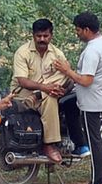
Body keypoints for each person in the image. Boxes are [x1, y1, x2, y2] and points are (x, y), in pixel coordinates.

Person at [55, 12, 102, 184]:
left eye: (78, 30)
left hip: (91, 102)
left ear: (87, 30)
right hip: (98, 96)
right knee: (67, 104)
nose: (77, 34)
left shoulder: (92, 50)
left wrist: (67, 70)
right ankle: (79, 144)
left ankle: (98, 183)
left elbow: (86, 80)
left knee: (94, 142)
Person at [10, 18, 72, 164]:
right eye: (39, 36)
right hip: (23, 95)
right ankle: (49, 145)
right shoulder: (23, 52)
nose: (42, 39)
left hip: (41, 96)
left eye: (45, 36)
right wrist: (45, 88)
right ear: (33, 35)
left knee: (67, 71)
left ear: (51, 35)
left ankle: (38, 95)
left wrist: (62, 91)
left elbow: (69, 78)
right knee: (50, 98)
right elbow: (22, 81)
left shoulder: (57, 54)